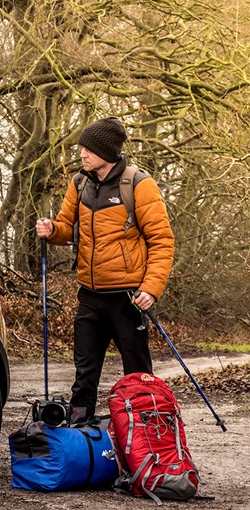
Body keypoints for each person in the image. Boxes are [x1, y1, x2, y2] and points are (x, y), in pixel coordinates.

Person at [36, 117, 175, 425]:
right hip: (89, 295)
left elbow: (162, 241)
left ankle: (146, 430)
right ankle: (78, 434)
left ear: (107, 152)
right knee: (84, 371)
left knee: (137, 372)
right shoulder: (79, 183)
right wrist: (51, 229)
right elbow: (65, 229)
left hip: (128, 298)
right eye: (81, 148)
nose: (82, 154)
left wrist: (151, 289)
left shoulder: (138, 184)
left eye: (88, 149)